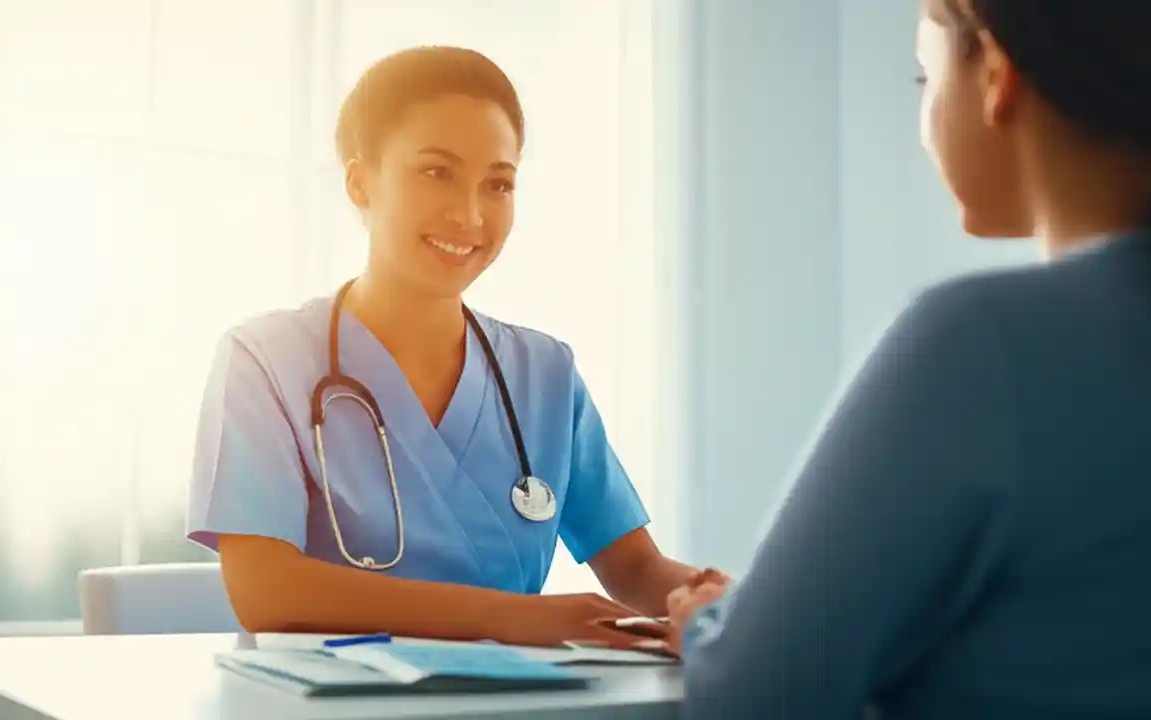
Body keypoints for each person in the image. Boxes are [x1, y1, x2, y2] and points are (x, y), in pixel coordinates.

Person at [670, 0, 1151, 716]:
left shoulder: (986, 345)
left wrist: (712, 627)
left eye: (923, 78)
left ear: (994, 73)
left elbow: (757, 693)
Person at [187, 45, 721, 650]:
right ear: (361, 184)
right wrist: (516, 618)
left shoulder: (546, 374)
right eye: (436, 172)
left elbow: (634, 570)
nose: (469, 214)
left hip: (522, 701)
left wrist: (718, 599)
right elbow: (267, 593)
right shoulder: (265, 361)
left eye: (498, 183)